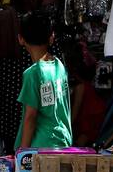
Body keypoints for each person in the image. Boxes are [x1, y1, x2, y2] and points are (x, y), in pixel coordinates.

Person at [16, 10, 73, 150]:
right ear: (51, 37)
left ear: (21, 39)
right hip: (63, 142)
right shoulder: (59, 66)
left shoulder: (32, 74)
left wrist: (23, 153)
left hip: (41, 147)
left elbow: (30, 117)